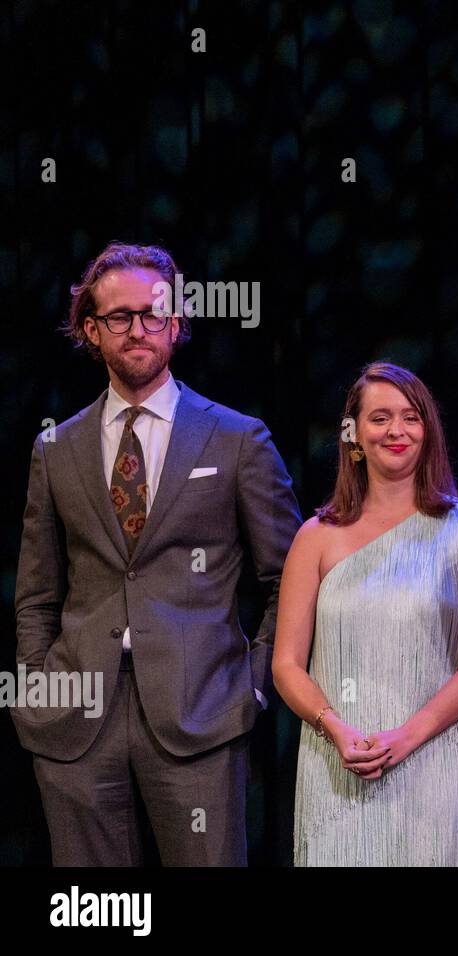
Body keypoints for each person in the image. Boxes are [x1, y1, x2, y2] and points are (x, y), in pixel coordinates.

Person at [14, 241, 301, 865]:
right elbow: (36, 593)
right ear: (92, 329)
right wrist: (37, 683)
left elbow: (291, 579)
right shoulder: (55, 449)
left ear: (177, 322)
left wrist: (250, 684)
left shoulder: (238, 438)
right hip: (76, 716)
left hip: (201, 711)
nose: (137, 328)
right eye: (119, 317)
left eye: (154, 313)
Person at [273, 362, 458, 866]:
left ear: (428, 431)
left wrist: (408, 735)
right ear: (353, 434)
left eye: (410, 417)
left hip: (445, 765)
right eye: (380, 418)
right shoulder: (316, 536)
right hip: (341, 765)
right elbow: (287, 663)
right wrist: (333, 727)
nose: (396, 431)